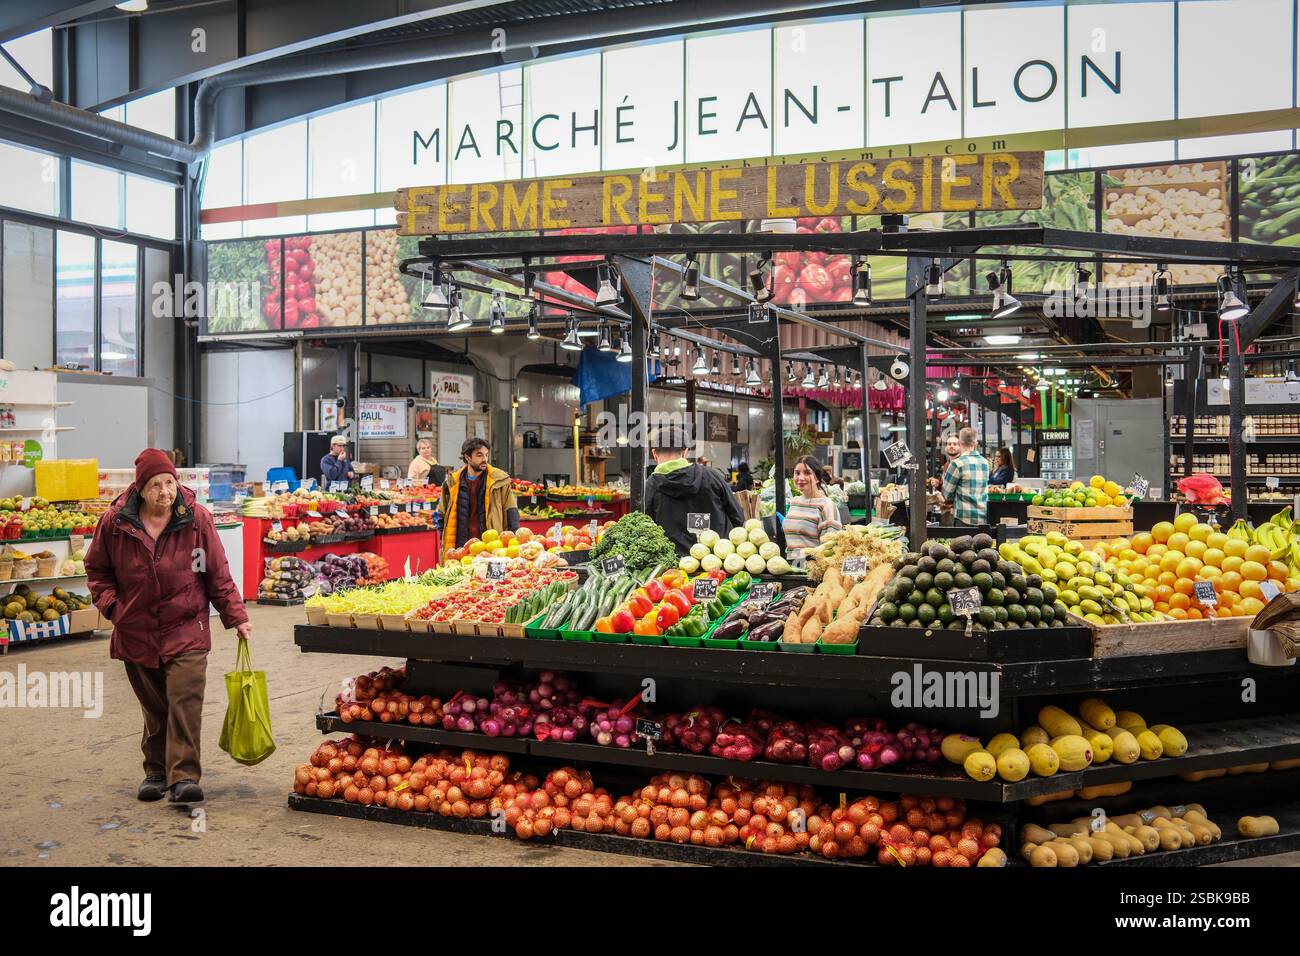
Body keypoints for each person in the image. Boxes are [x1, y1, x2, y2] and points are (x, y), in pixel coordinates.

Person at [85, 449, 250, 805]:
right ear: (141, 489)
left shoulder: (196, 520)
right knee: (156, 707)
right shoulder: (115, 524)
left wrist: (236, 616)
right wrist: (114, 608)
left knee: (184, 701)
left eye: (170, 483)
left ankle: (184, 777)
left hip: (186, 626)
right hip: (136, 630)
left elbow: (218, 574)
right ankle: (156, 771)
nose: (166, 492)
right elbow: (97, 571)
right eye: (157, 485)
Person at [644, 427, 744, 556]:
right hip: (717, 561)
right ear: (685, 452)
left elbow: (645, 529)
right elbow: (738, 517)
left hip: (672, 568)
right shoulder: (712, 476)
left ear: (654, 453)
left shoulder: (650, 486)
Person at [440, 437, 520, 559]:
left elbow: (511, 512)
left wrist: (513, 540)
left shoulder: (500, 481)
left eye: (486, 455)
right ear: (467, 457)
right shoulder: (451, 483)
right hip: (461, 546)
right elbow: (441, 514)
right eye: (479, 455)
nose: (484, 459)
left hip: (492, 545)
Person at [783, 456, 843, 556]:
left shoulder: (826, 506)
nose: (800, 478)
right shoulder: (794, 502)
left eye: (807, 473)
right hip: (791, 566)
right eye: (797, 473)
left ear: (817, 478)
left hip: (812, 567)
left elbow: (832, 546)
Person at [942, 427, 990, 526]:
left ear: (959, 442)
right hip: (983, 518)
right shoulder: (985, 462)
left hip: (964, 518)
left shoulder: (957, 464)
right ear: (975, 443)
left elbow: (947, 493)